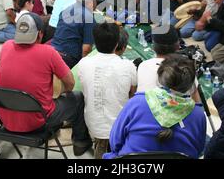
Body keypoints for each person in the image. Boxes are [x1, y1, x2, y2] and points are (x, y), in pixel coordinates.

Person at [0, 12, 92, 156]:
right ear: (40, 34)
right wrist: (57, 93)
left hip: (6, 118)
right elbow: (70, 84)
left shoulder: (6, 46)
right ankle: (80, 143)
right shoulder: (48, 52)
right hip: (36, 121)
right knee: (77, 98)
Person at [104, 55, 206, 159]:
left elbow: (114, 142)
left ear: (160, 78)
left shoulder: (137, 102)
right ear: (191, 84)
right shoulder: (198, 114)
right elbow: (198, 149)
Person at [77, 23, 137, 159]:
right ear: (117, 44)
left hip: (93, 125)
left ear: (95, 43)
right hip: (120, 127)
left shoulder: (84, 63)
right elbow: (132, 95)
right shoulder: (128, 66)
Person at [51, 0, 97, 68]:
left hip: (52, 53)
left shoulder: (66, 10)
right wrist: (82, 68)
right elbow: (86, 49)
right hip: (68, 59)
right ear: (91, 1)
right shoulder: (88, 17)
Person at [137, 26, 180, 92]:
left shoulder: (143, 65)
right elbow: (197, 101)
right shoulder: (185, 69)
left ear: (153, 47)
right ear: (178, 46)